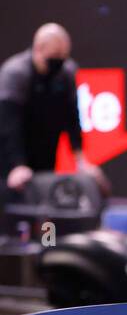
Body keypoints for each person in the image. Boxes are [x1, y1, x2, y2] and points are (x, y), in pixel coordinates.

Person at [0, 23, 110, 197]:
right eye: (55, 57)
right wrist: (17, 165)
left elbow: (72, 118)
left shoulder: (66, 73)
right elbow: (8, 125)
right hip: (9, 163)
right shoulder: (15, 74)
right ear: (38, 49)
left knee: (44, 203)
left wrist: (80, 160)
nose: (59, 63)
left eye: (63, 57)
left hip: (46, 156)